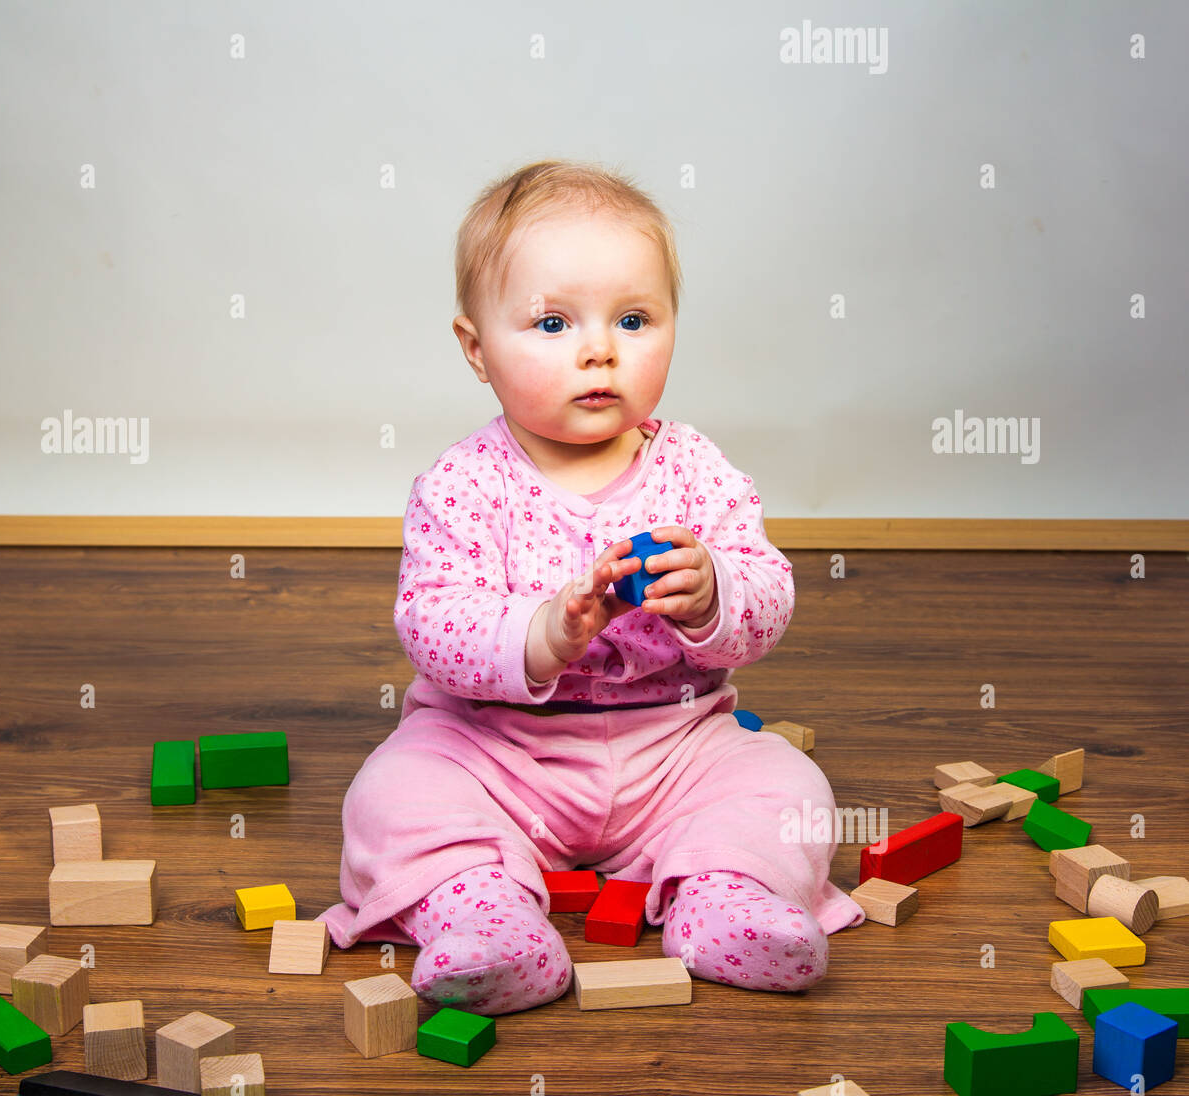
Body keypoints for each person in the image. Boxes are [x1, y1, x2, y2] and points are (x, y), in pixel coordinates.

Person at [319, 159, 863, 1014]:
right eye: (551, 323)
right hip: (499, 751)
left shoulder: (694, 469)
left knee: (788, 786)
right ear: (476, 349)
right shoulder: (462, 485)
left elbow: (770, 592)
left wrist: (716, 592)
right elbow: (432, 622)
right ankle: (485, 917)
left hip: (674, 747)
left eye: (635, 318)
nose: (599, 349)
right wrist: (544, 632)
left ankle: (725, 900)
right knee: (392, 795)